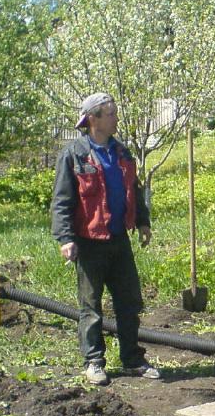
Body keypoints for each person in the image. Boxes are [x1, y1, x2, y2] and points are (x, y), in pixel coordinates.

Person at [51, 92, 160, 386]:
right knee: (91, 306)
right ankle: (94, 362)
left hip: (118, 240)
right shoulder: (74, 155)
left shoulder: (122, 153)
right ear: (93, 119)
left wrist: (142, 222)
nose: (116, 118)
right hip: (88, 243)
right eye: (110, 113)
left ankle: (132, 359)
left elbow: (133, 191)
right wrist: (65, 238)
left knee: (129, 302)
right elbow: (62, 201)